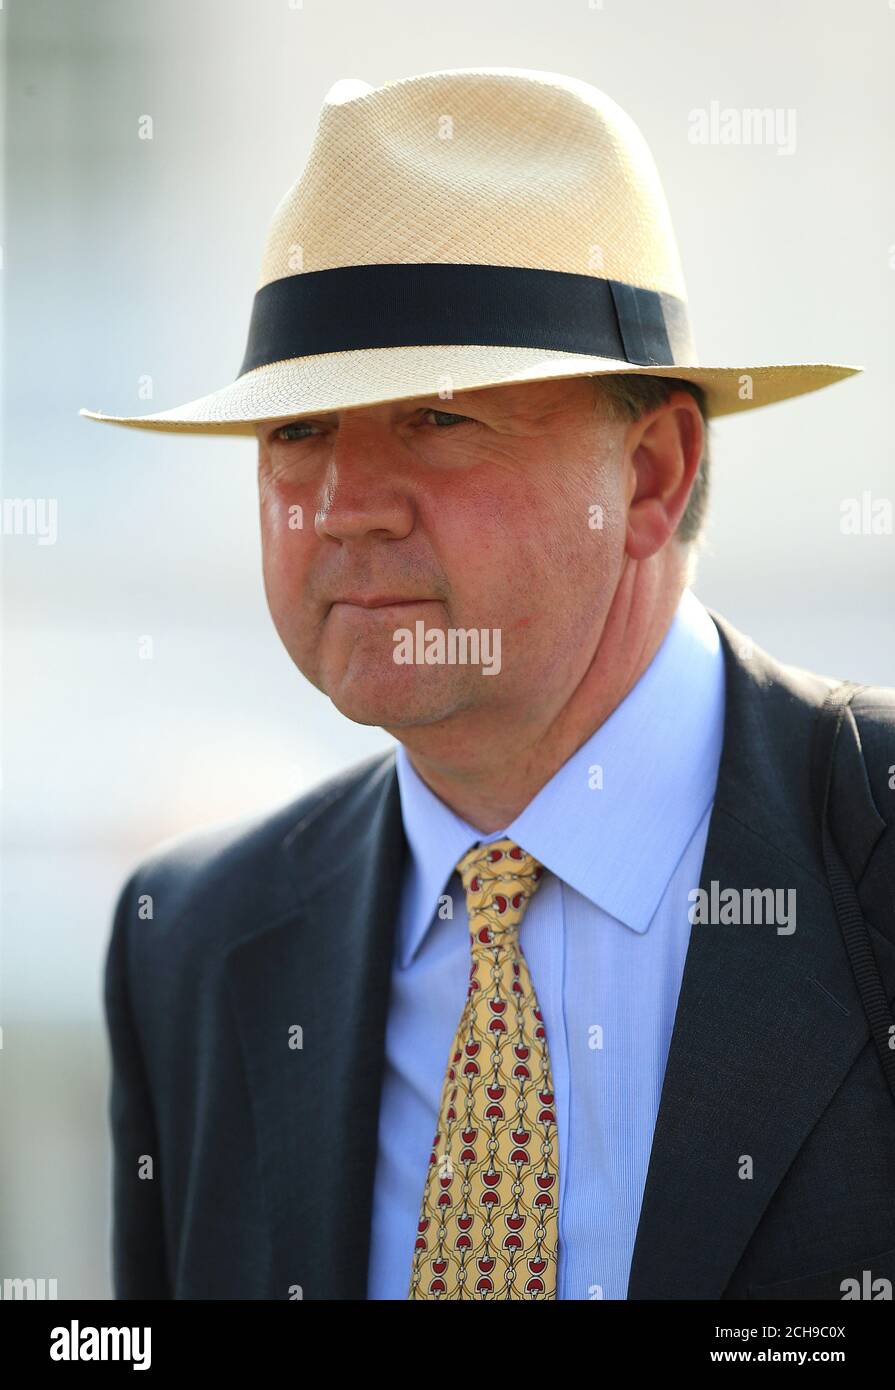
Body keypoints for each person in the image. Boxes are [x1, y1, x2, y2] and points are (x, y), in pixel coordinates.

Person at [86, 67, 895, 1300]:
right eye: (296, 431)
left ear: (652, 473)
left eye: (437, 415)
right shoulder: (195, 944)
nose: (344, 504)